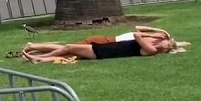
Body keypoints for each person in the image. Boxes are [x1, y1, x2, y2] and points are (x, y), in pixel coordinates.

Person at [21, 31, 177, 63]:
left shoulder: (152, 50)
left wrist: (156, 35)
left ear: (165, 48)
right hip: (107, 48)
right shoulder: (152, 43)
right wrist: (157, 35)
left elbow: (136, 35)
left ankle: (38, 57)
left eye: (166, 42)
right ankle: (37, 55)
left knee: (67, 48)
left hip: (105, 51)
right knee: (67, 49)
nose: (164, 40)